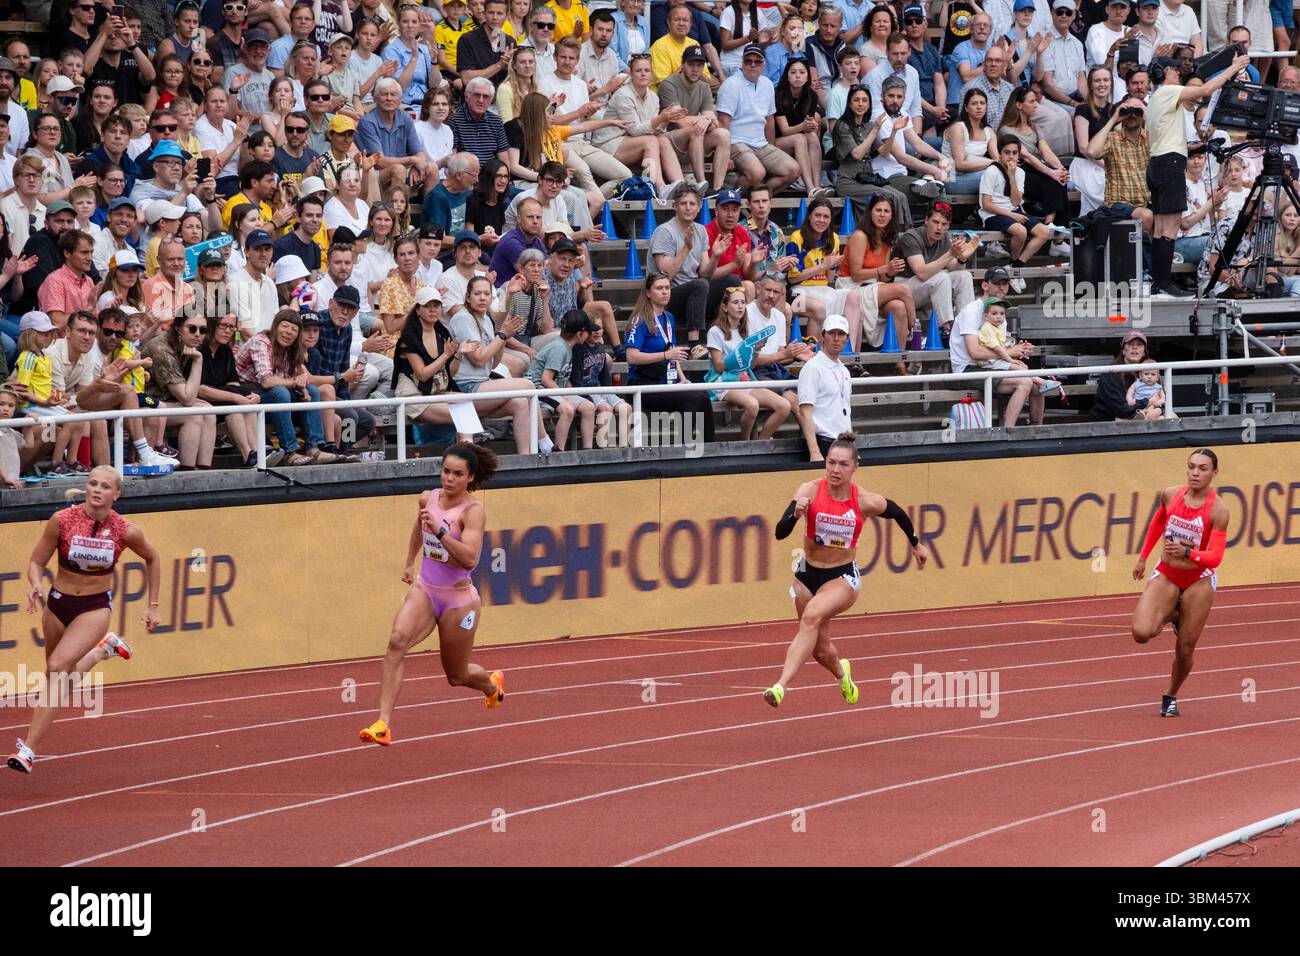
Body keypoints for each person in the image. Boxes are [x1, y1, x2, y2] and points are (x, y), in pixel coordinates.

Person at [6, 467, 161, 775]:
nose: (96, 490)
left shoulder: (125, 530)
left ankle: (28, 751)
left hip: (93, 608)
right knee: (58, 679)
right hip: (59, 603)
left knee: (56, 667)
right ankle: (103, 651)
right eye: (92, 483)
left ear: (116, 494)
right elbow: (36, 561)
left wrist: (153, 606)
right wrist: (35, 583)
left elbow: (153, 558)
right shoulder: (62, 521)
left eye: (105, 486)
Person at [764, 430, 929, 707]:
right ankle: (843, 675)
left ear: (855, 467)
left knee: (811, 618)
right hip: (807, 575)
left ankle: (779, 687)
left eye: (843, 464)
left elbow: (897, 511)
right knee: (820, 650)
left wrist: (916, 544)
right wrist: (795, 514)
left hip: (841, 577)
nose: (835, 470)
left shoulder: (864, 501)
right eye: (831, 463)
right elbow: (780, 533)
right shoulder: (809, 490)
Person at [359, 443, 504, 747]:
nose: (448, 479)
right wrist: (410, 560)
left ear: (470, 477)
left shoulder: (473, 512)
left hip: (458, 601)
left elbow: (469, 560)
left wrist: (440, 532)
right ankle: (383, 723)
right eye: (445, 471)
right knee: (397, 641)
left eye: (457, 474)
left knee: (457, 676)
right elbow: (420, 526)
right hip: (427, 588)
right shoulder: (428, 498)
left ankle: (491, 686)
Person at [1131, 449, 1229, 717]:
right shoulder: (1170, 494)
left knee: (1185, 648)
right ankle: (1174, 612)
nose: (1195, 473)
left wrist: (1187, 553)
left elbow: (1215, 558)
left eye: (1203, 468)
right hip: (1168, 572)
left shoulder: (1218, 509)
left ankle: (1171, 695)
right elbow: (1158, 522)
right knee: (1141, 633)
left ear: (1214, 473)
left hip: (1198, 579)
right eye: (1192, 467)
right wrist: (1142, 558)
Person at [1144, 52, 1248, 297]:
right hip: (1169, 166)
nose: (1179, 73)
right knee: (1168, 229)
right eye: (1175, 69)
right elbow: (1205, 90)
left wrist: (1200, 147)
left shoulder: (1155, 99)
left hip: (1159, 162)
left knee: (1160, 229)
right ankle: (1163, 284)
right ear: (1165, 72)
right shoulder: (1168, 91)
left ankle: (1159, 284)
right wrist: (1233, 68)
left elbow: (1169, 140)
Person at [624, 272, 715, 443]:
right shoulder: (639, 319)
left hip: (665, 381)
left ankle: (711, 448)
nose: (665, 292)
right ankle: (683, 451)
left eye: (667, 288)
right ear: (648, 293)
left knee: (703, 396)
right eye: (659, 288)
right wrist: (666, 355)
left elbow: (671, 351)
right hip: (643, 384)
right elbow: (631, 357)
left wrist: (682, 379)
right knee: (691, 400)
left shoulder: (668, 318)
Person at [706, 285, 795, 440]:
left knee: (784, 406)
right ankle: (745, 444)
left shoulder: (745, 331)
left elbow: (750, 366)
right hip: (724, 382)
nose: (740, 306)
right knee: (752, 405)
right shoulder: (715, 331)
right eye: (735, 302)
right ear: (725, 307)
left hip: (745, 380)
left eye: (742, 302)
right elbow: (719, 366)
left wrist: (754, 351)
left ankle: (760, 442)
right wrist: (741, 353)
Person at [717, 44, 800, 194]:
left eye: (757, 61)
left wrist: (772, 146)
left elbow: (769, 120)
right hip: (736, 141)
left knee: (793, 170)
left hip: (760, 143)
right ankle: (729, 194)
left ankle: (758, 198)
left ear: (764, 64)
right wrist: (726, 155)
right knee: (758, 173)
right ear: (742, 63)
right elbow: (723, 123)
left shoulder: (767, 84)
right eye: (748, 61)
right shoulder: (731, 84)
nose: (753, 65)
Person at [657, 45, 733, 195]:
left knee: (723, 134)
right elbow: (679, 121)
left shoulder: (704, 87)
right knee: (696, 129)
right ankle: (701, 183)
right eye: (691, 64)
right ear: (683, 64)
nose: (695, 69)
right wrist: (705, 118)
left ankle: (716, 189)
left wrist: (707, 120)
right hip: (671, 142)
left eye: (699, 65)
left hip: (695, 143)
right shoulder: (668, 84)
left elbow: (713, 124)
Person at [979, 134, 1055, 281]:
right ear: (1000, 153)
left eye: (1014, 153)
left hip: (1013, 211)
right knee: (1020, 231)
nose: (1011, 157)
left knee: (1044, 231)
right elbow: (987, 204)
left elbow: (1015, 202)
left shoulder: (1019, 173)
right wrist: (1012, 215)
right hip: (992, 214)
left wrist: (1012, 177)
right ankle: (1015, 270)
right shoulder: (991, 171)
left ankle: (1015, 266)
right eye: (1007, 152)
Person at [896, 203, 977, 334]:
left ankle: (968, 327)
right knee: (941, 277)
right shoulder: (911, 236)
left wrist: (962, 258)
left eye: (944, 224)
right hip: (902, 287)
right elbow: (921, 272)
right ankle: (945, 329)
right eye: (935, 222)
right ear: (926, 220)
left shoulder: (944, 237)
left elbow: (953, 267)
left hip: (927, 287)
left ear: (948, 226)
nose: (939, 228)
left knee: (964, 275)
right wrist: (951, 253)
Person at [795, 314, 852, 460]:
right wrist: (814, 452)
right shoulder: (813, 367)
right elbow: (805, 412)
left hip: (844, 443)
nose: (836, 338)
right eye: (832, 333)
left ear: (847, 337)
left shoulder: (844, 370)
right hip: (823, 442)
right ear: (823, 336)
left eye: (841, 334)